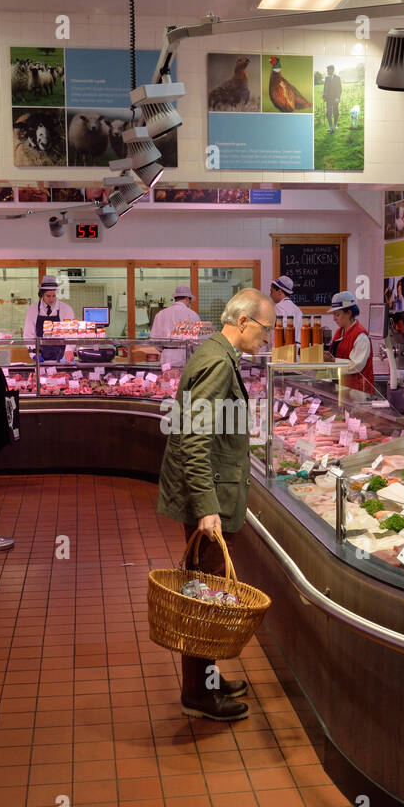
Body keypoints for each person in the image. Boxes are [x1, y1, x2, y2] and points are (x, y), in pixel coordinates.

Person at [157, 288, 277, 723]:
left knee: (205, 591)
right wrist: (207, 507)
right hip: (206, 497)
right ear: (243, 322)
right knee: (204, 599)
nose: (269, 338)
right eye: (266, 329)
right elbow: (194, 438)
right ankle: (199, 694)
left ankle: (206, 680)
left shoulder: (216, 352)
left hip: (208, 490)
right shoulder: (216, 362)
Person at [326, 291, 377, 397]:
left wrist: (332, 361)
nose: (334, 318)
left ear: (349, 313)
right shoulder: (340, 332)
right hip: (344, 389)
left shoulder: (361, 336)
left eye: (337, 314)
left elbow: (356, 366)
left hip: (359, 393)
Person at [24, 274, 75, 361]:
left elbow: (72, 333)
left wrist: (69, 350)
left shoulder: (66, 309)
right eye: (48, 296)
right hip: (40, 357)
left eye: (54, 296)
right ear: (42, 295)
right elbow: (28, 335)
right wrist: (33, 353)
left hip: (61, 357)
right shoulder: (33, 309)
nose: (51, 299)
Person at [148, 284, 202, 367]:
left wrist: (165, 349)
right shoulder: (193, 315)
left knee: (166, 379)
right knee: (183, 379)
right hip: (185, 355)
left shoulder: (160, 314)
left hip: (167, 356)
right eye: (190, 301)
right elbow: (197, 341)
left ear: (175, 298)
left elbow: (154, 339)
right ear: (187, 299)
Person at [268, 275, 302, 344]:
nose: (270, 295)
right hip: (297, 350)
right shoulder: (297, 310)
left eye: (272, 292)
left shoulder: (279, 307)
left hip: (283, 350)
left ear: (280, 291)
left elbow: (281, 333)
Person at [323, 64, 342, 133]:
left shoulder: (338, 78)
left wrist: (338, 97)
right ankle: (330, 127)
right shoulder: (326, 78)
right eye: (327, 70)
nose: (327, 71)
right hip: (328, 99)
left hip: (335, 99)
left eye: (328, 70)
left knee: (336, 112)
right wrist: (324, 95)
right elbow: (325, 88)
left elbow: (340, 88)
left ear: (332, 70)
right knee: (328, 113)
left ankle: (335, 125)